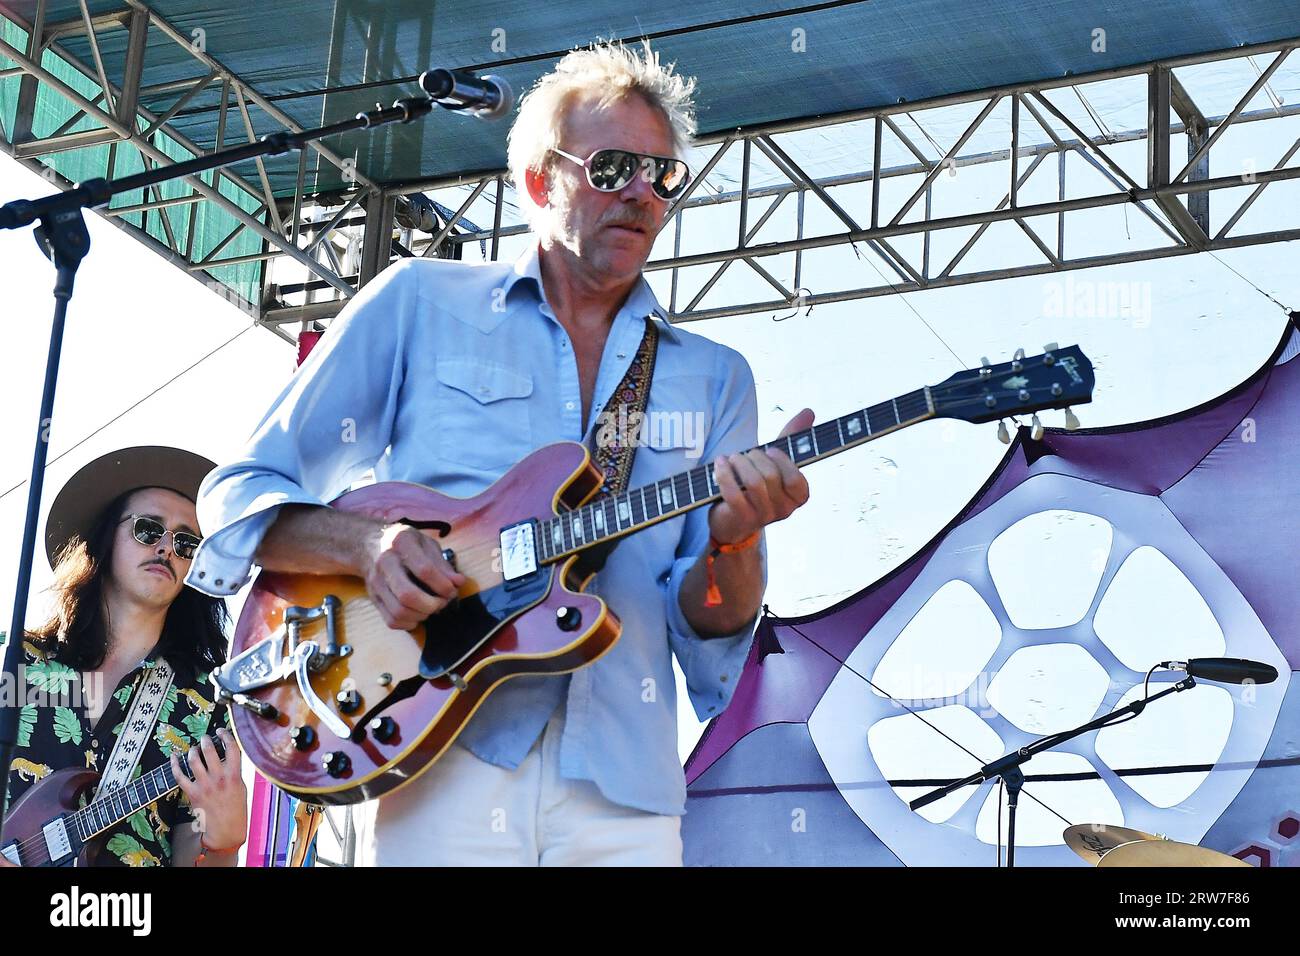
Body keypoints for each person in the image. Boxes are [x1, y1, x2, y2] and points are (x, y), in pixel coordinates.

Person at [187, 41, 811, 866]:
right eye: (613, 165)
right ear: (536, 180)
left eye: (663, 177)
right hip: (436, 750)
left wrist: (737, 540)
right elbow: (239, 494)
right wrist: (370, 546)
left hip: (624, 790)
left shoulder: (714, 378)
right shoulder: (419, 303)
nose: (640, 194)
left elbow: (711, 621)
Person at [2, 446, 247, 867]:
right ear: (105, 537)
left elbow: (197, 854)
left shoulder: (208, 702)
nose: (168, 548)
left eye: (187, 542)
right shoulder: (17, 661)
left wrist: (224, 843)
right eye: (149, 530)